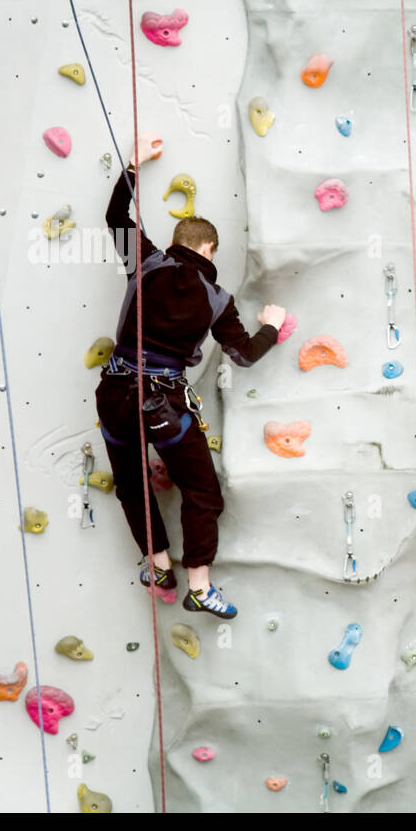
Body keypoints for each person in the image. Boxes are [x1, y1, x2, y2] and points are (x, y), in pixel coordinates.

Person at [96, 136, 285, 619]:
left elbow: (117, 217)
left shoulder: (147, 262)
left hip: (115, 394)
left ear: (177, 243)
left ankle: (158, 566)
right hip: (164, 407)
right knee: (202, 492)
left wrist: (135, 163)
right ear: (209, 248)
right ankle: (198, 584)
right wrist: (273, 326)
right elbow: (242, 355)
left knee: (133, 483)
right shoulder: (218, 299)